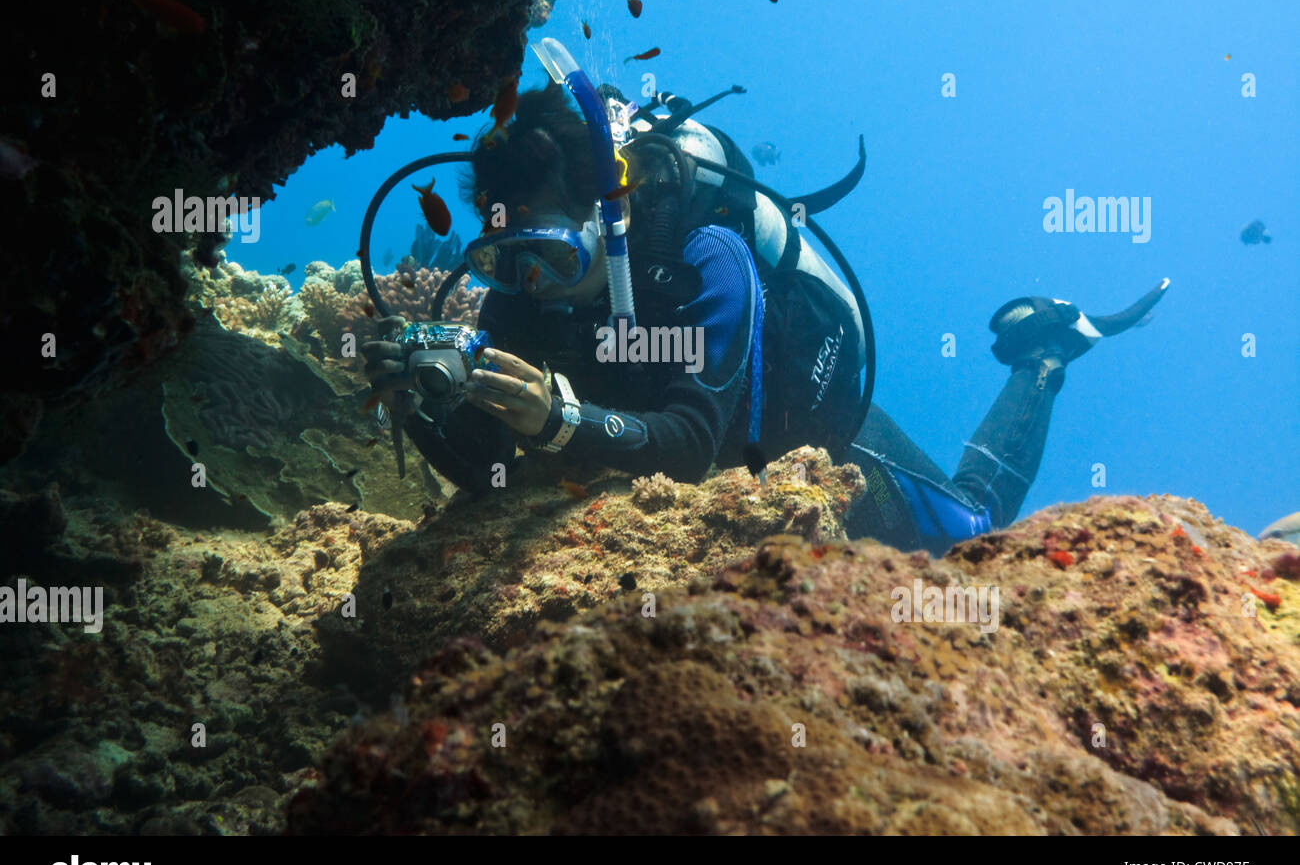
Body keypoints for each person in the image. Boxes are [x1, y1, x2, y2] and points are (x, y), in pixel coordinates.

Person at [363, 51, 1168, 556]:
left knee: (976, 535)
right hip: (656, 439)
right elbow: (499, 475)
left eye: (546, 253)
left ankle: (1046, 354)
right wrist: (431, 409)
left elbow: (688, 443)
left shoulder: (707, 254)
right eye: (504, 261)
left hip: (795, 439)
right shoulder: (526, 301)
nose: (528, 282)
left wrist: (561, 421)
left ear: (605, 217)